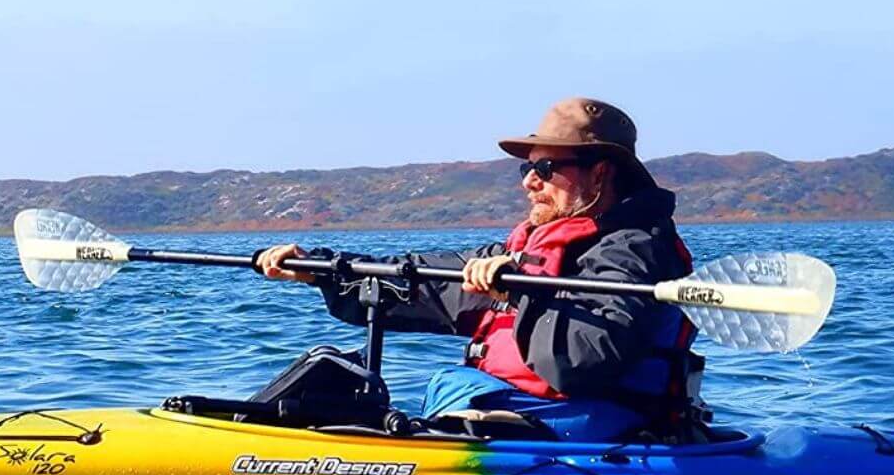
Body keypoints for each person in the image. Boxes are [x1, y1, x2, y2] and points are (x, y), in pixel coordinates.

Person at [256, 98, 702, 442]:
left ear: (600, 173)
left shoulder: (635, 252)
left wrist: (520, 290)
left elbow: (581, 363)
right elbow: (423, 283)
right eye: (529, 168)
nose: (529, 181)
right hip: (515, 413)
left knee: (454, 412)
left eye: (546, 168)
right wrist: (321, 270)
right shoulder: (524, 250)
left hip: (601, 429)